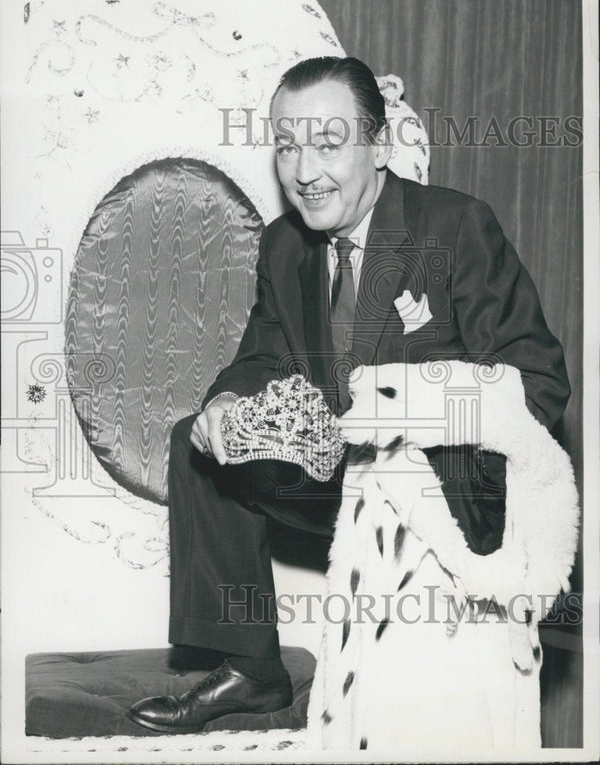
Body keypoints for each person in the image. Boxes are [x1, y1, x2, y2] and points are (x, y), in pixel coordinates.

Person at [127, 56, 569, 734]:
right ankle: (250, 668)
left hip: (442, 492)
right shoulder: (284, 246)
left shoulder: (455, 226)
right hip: (337, 479)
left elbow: (538, 383)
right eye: (287, 147)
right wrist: (225, 407)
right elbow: (262, 357)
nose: (304, 171)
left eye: (329, 144)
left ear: (380, 145)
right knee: (197, 442)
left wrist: (406, 415)